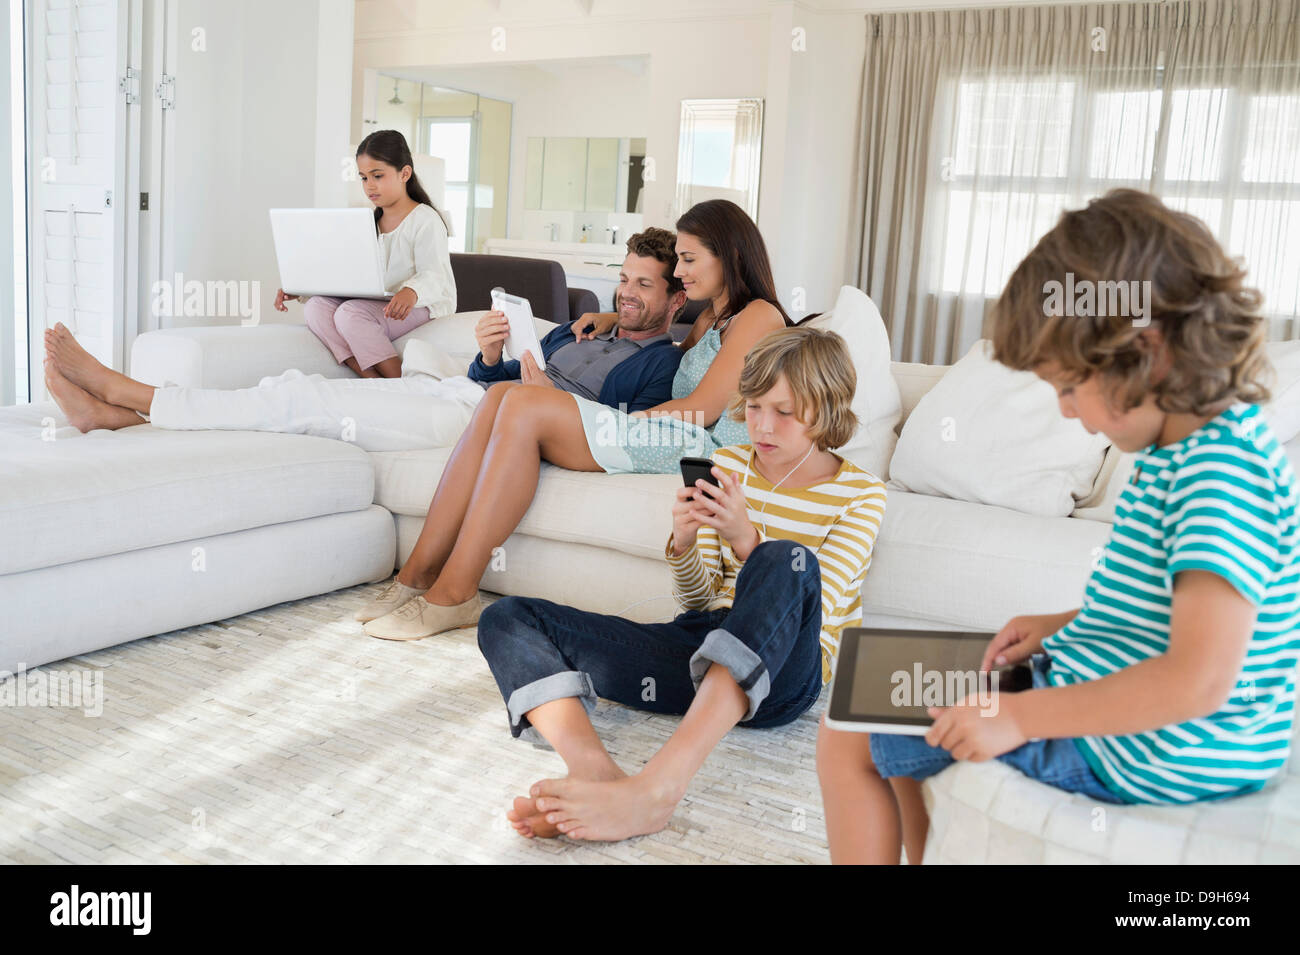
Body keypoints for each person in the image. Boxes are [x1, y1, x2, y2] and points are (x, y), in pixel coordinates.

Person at [817, 188, 1300, 865]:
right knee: (878, 678)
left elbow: (1198, 680)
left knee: (848, 732)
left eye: (1069, 387)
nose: (1068, 413)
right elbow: (1165, 603)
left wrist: (1018, 717)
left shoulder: (1221, 473)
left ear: (1148, 351)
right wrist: (1067, 621)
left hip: (1157, 749)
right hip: (1129, 706)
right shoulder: (1185, 448)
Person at [476, 326, 887, 841]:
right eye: (755, 407)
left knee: (788, 561)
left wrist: (747, 540)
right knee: (507, 617)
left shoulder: (861, 494)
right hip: (700, 653)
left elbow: (819, 603)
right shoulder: (729, 465)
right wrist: (685, 542)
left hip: (782, 677)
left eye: (783, 411)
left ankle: (658, 789)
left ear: (825, 409)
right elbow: (696, 599)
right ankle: (594, 775)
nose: (762, 425)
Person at [357, 199, 791, 641]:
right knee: (501, 395)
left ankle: (454, 593)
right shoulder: (712, 318)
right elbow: (679, 360)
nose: (680, 270)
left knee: (524, 403)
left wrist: (612, 419)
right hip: (671, 430)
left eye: (689, 259)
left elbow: (703, 407)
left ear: (732, 256)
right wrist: (611, 318)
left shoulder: (759, 314)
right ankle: (417, 574)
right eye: (678, 259)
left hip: (699, 442)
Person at [39, 229, 687, 457]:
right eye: (622, 280)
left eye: (644, 286)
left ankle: (129, 394)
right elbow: (498, 382)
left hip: (471, 421)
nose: (626, 294)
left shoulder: (658, 365)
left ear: (675, 298)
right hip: (462, 394)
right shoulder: (585, 329)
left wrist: (531, 383)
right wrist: (492, 357)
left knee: (301, 399)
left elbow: (586, 424)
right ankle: (119, 415)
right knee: (292, 402)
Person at [278, 129, 456, 379]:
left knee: (351, 314)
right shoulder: (366, 222)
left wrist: (411, 291)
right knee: (316, 308)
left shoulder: (425, 220)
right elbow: (346, 272)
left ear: (404, 173)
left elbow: (435, 274)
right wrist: (302, 286)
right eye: (363, 178)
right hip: (380, 301)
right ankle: (366, 374)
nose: (369, 186)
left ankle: (400, 383)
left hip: (424, 304)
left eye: (378, 176)